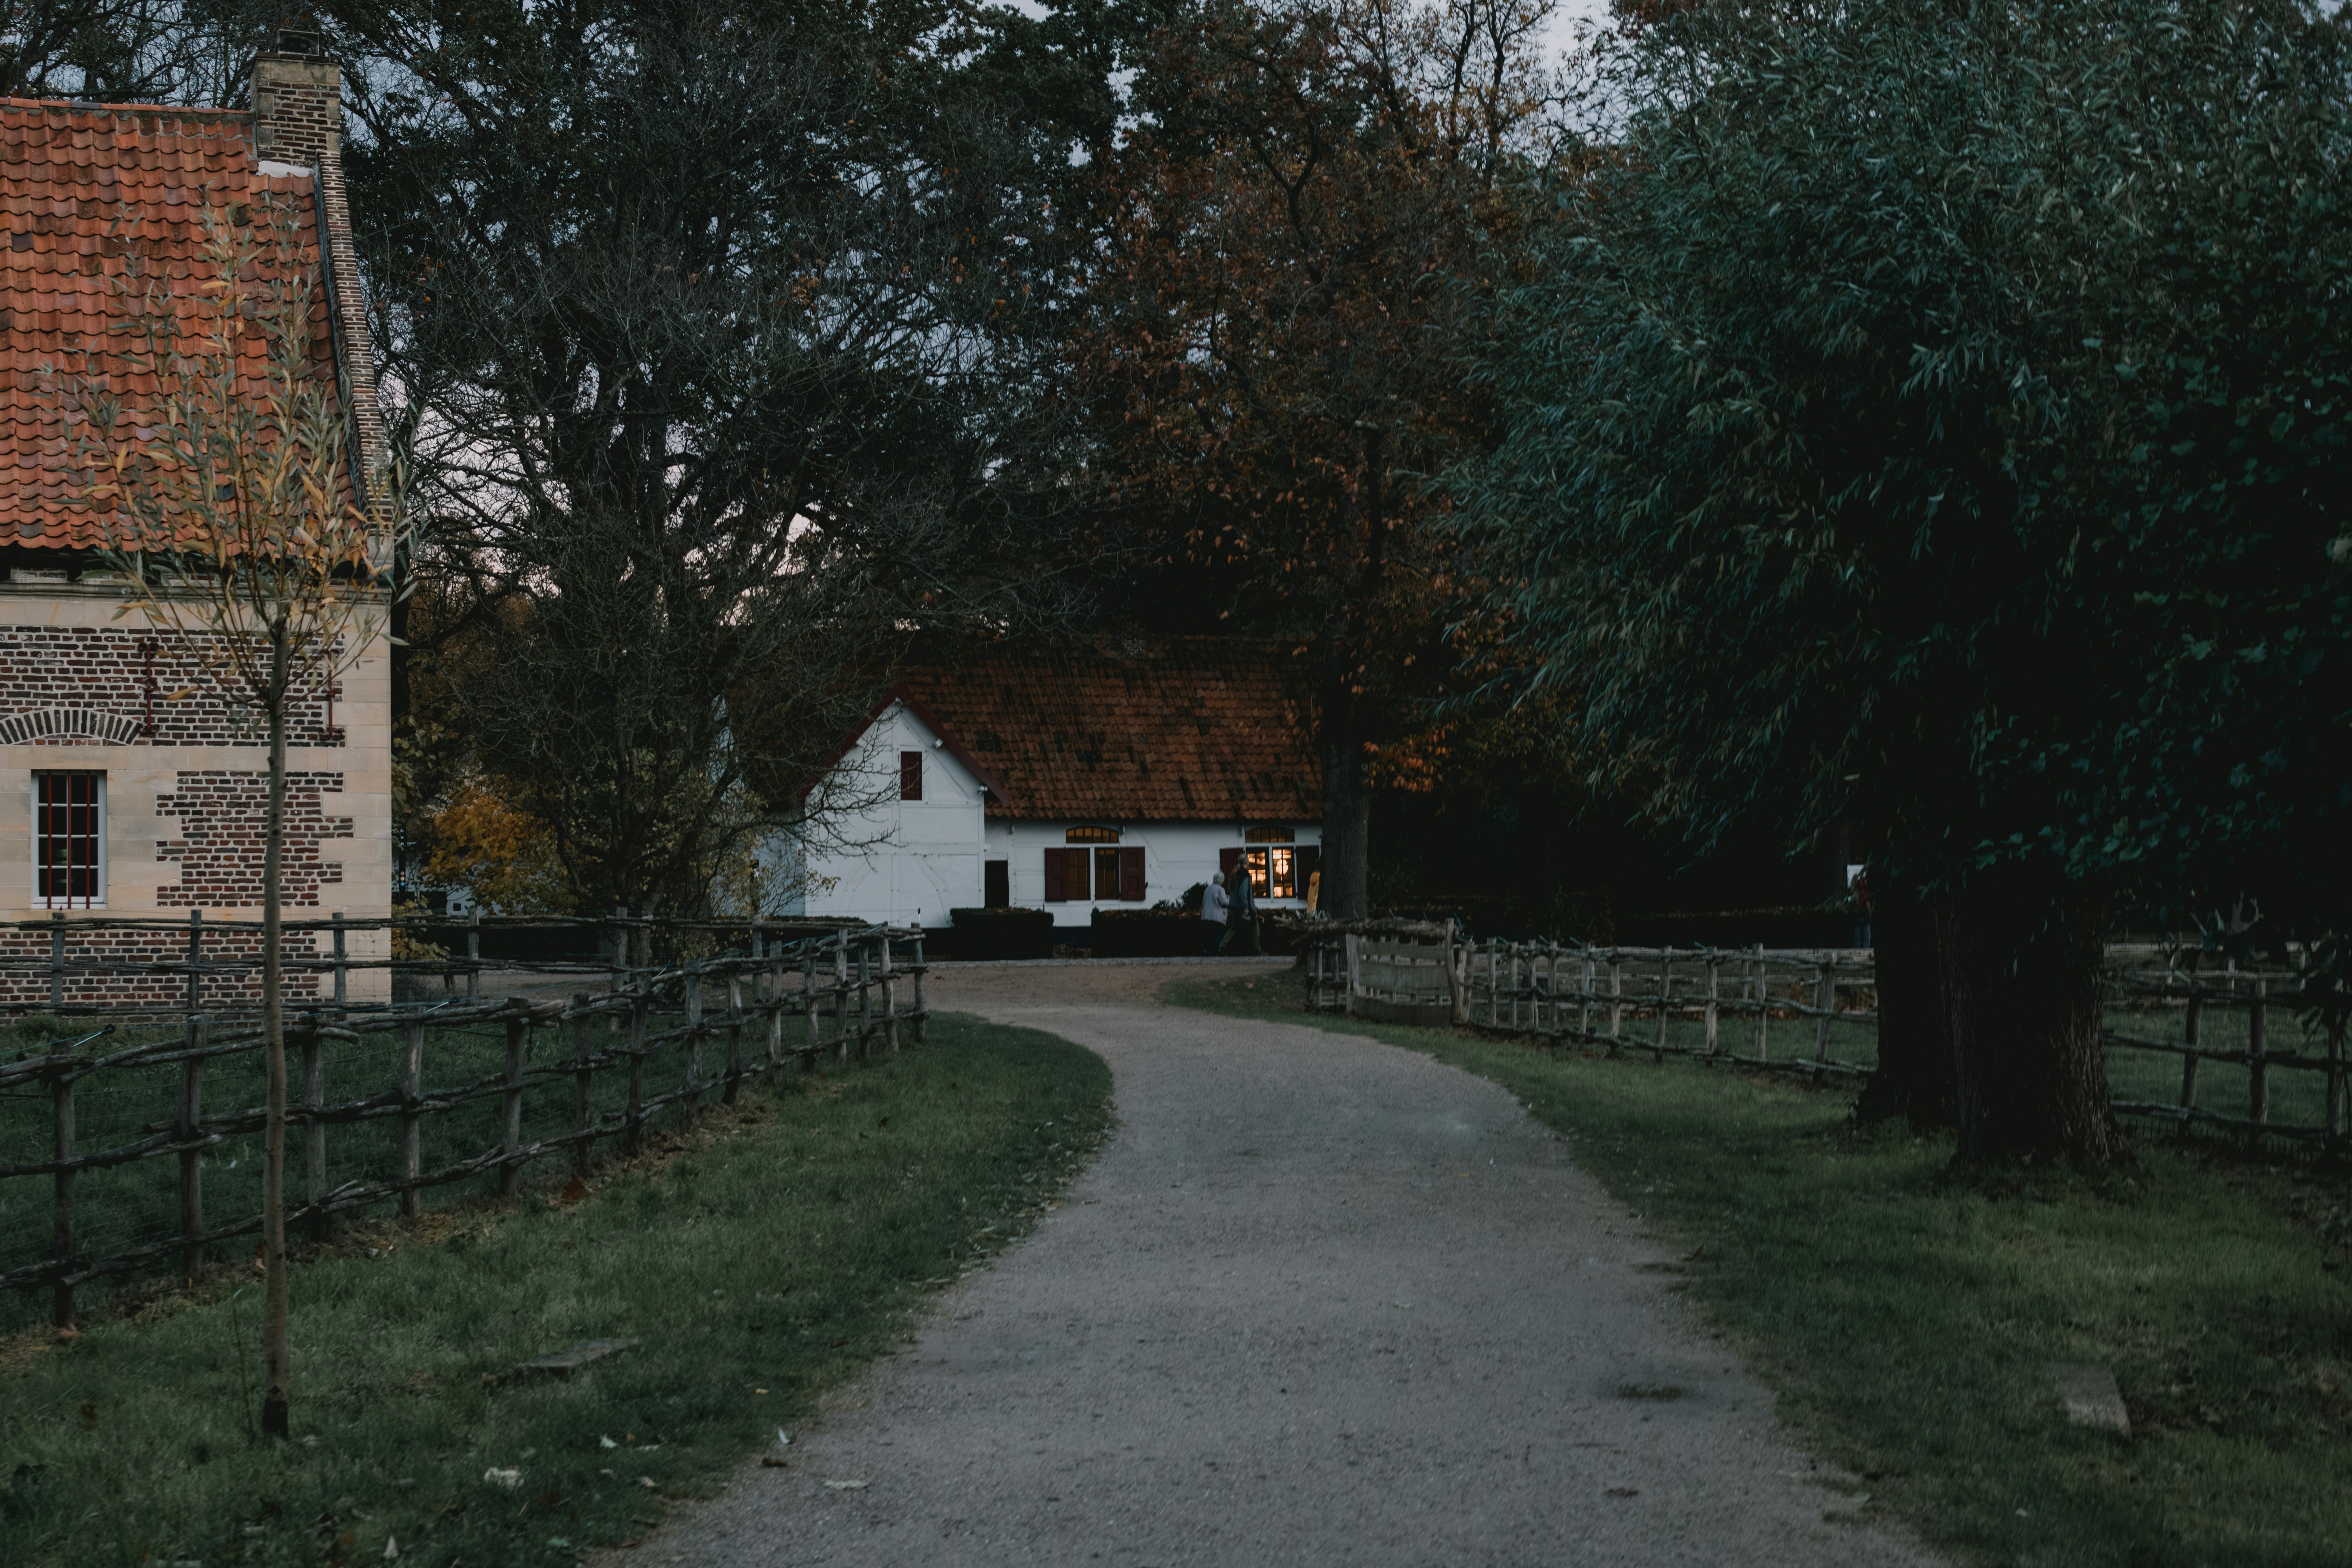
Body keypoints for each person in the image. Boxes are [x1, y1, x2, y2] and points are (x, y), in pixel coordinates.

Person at [1228, 857, 1258, 954]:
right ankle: (1257, 950)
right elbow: (1243, 893)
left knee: (1235, 928)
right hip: (1246, 907)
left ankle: (1221, 947)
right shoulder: (1244, 875)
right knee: (1254, 928)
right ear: (1246, 863)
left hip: (1236, 907)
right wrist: (1246, 907)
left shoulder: (1235, 874)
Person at [1200, 871, 1229, 955]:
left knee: (1210, 935)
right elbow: (1225, 903)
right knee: (1218, 935)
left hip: (1206, 916)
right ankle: (1215, 951)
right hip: (1217, 916)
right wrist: (1228, 899)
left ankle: (1207, 950)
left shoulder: (1208, 889)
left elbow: (1204, 903)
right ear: (1222, 880)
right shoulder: (1221, 890)